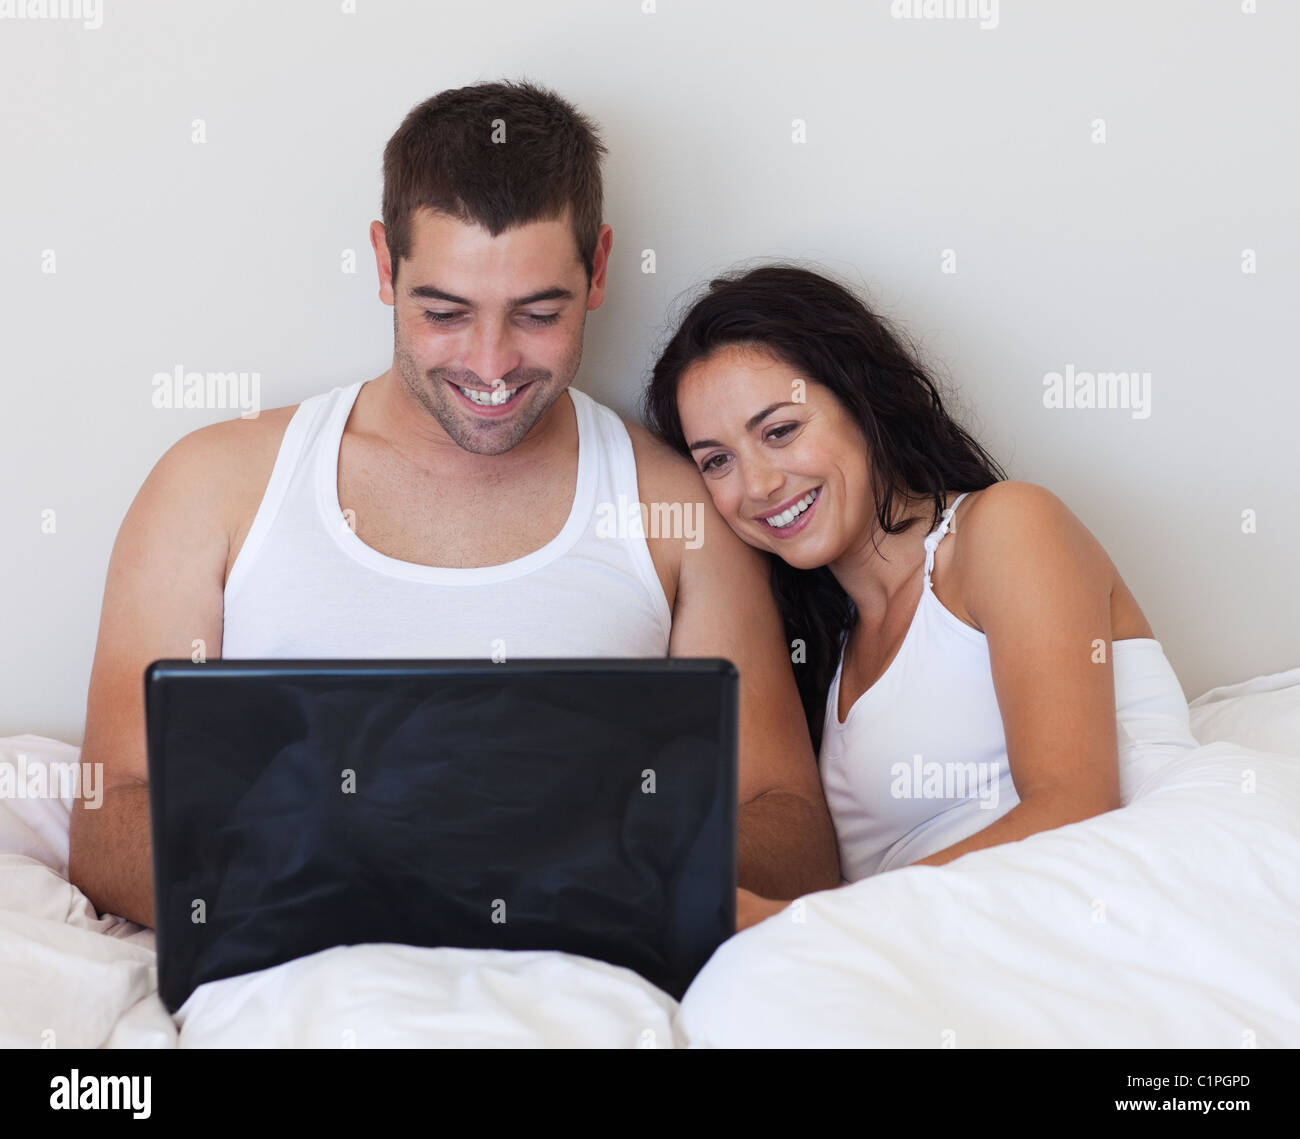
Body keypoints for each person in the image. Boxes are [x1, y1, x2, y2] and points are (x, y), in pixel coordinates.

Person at [69, 82, 840, 930]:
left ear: (600, 268)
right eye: (445, 311)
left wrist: (571, 859)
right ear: (382, 264)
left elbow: (792, 832)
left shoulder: (673, 510)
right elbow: (110, 822)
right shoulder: (214, 486)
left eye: (538, 313)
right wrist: (371, 876)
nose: (492, 363)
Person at [642, 264, 1188, 932]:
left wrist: (804, 920)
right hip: (956, 945)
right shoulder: (826, 655)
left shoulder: (1008, 527)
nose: (756, 484)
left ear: (861, 400)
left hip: (1117, 901)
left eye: (780, 430)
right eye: (716, 460)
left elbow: (1074, 803)